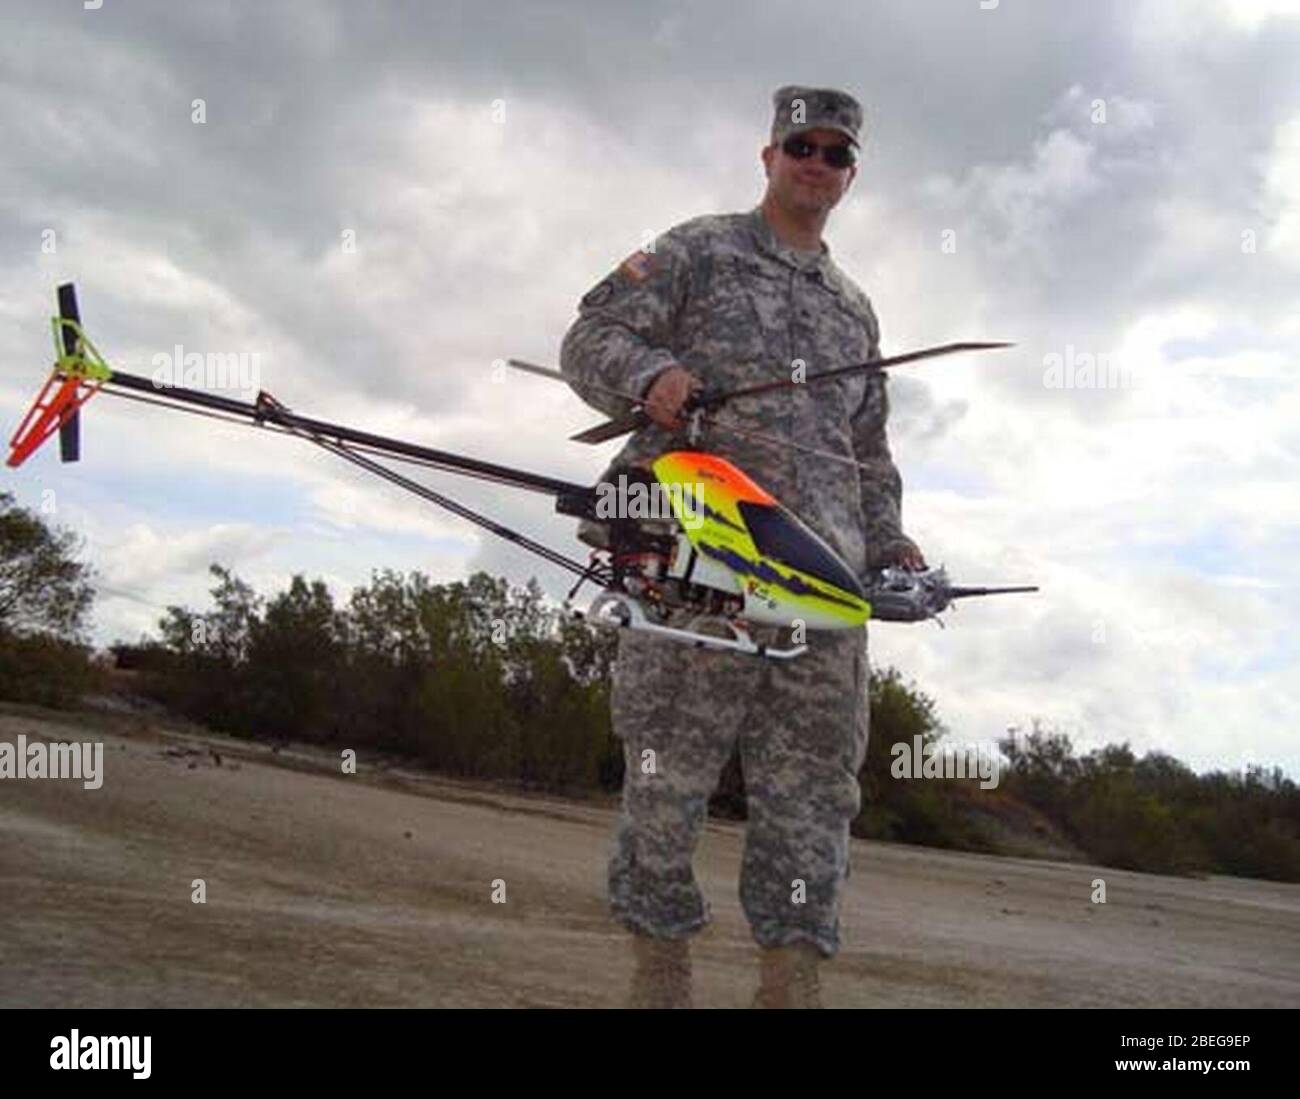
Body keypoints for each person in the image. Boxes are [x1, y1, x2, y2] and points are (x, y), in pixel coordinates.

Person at [559, 85, 925, 1008]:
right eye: (801, 144)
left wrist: (890, 548)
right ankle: (660, 984)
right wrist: (652, 375)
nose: (817, 162)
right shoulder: (699, 249)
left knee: (811, 803)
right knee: (664, 781)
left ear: (849, 175)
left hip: (819, 600)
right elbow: (589, 335)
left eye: (836, 152)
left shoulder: (855, 309)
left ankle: (789, 989)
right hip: (696, 574)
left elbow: (868, 454)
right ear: (769, 156)